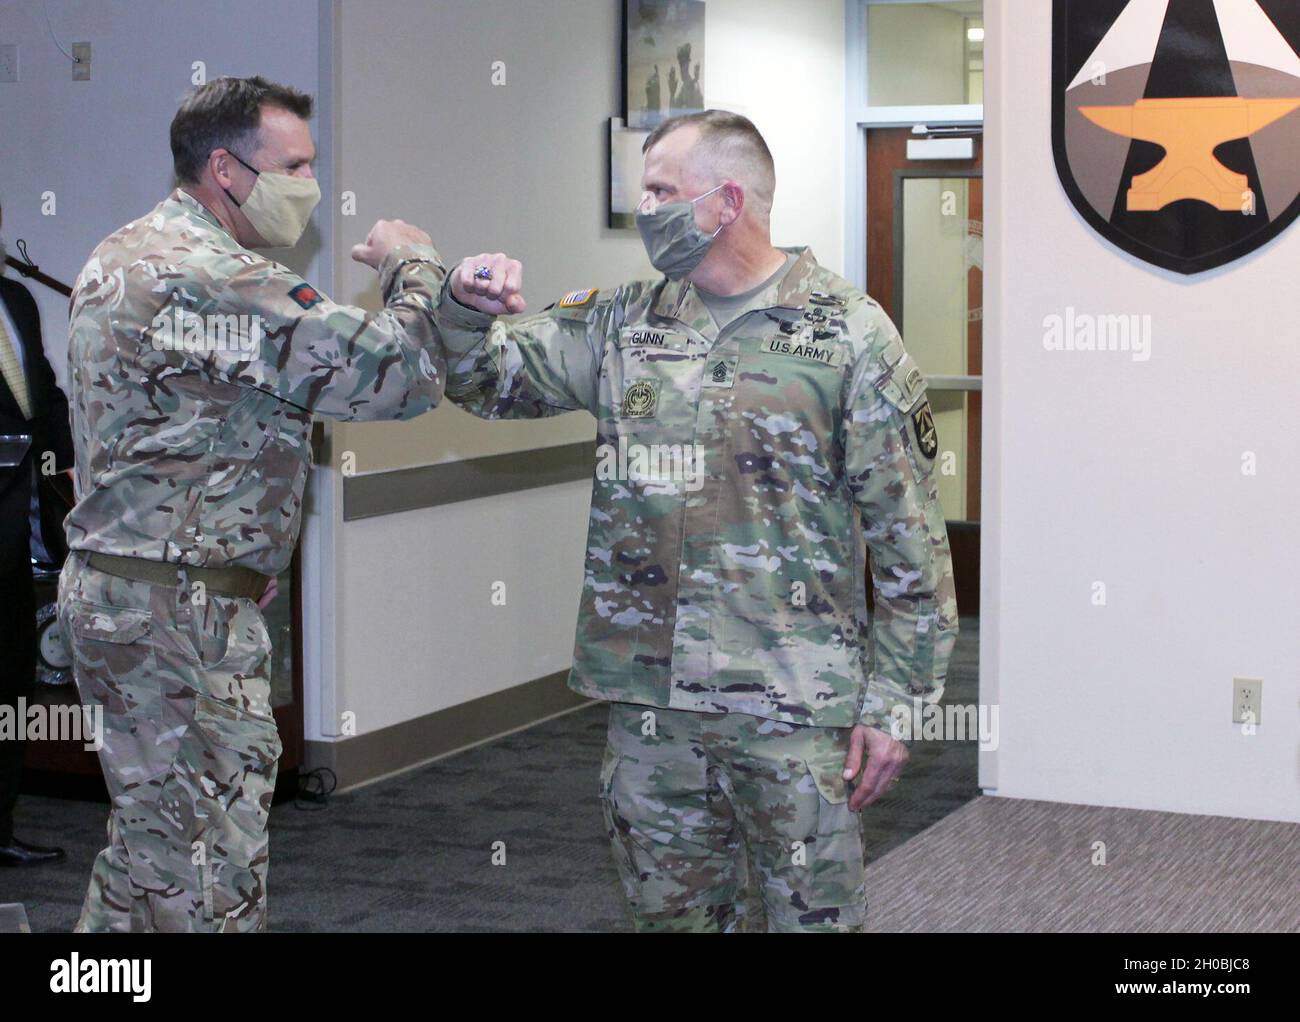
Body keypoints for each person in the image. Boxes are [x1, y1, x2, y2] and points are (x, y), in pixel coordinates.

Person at [435, 110, 957, 932]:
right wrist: (461, 306)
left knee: (812, 920)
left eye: (660, 191)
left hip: (792, 707)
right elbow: (487, 380)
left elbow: (908, 541)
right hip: (651, 709)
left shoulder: (848, 335)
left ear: (726, 200)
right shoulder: (619, 324)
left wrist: (897, 705)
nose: (644, 210)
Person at [58, 75, 456, 932]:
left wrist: (235, 547)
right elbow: (394, 374)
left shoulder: (120, 252)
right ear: (226, 170)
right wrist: (412, 265)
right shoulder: (221, 276)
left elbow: (179, 424)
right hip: (178, 616)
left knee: (150, 848)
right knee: (208, 866)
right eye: (296, 165)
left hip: (133, 590)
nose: (309, 185)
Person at [0, 203, 74, 868]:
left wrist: (67, 461)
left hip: (22, 525)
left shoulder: (16, 298)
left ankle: (0, 827)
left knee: (13, 678)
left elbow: (42, 393)